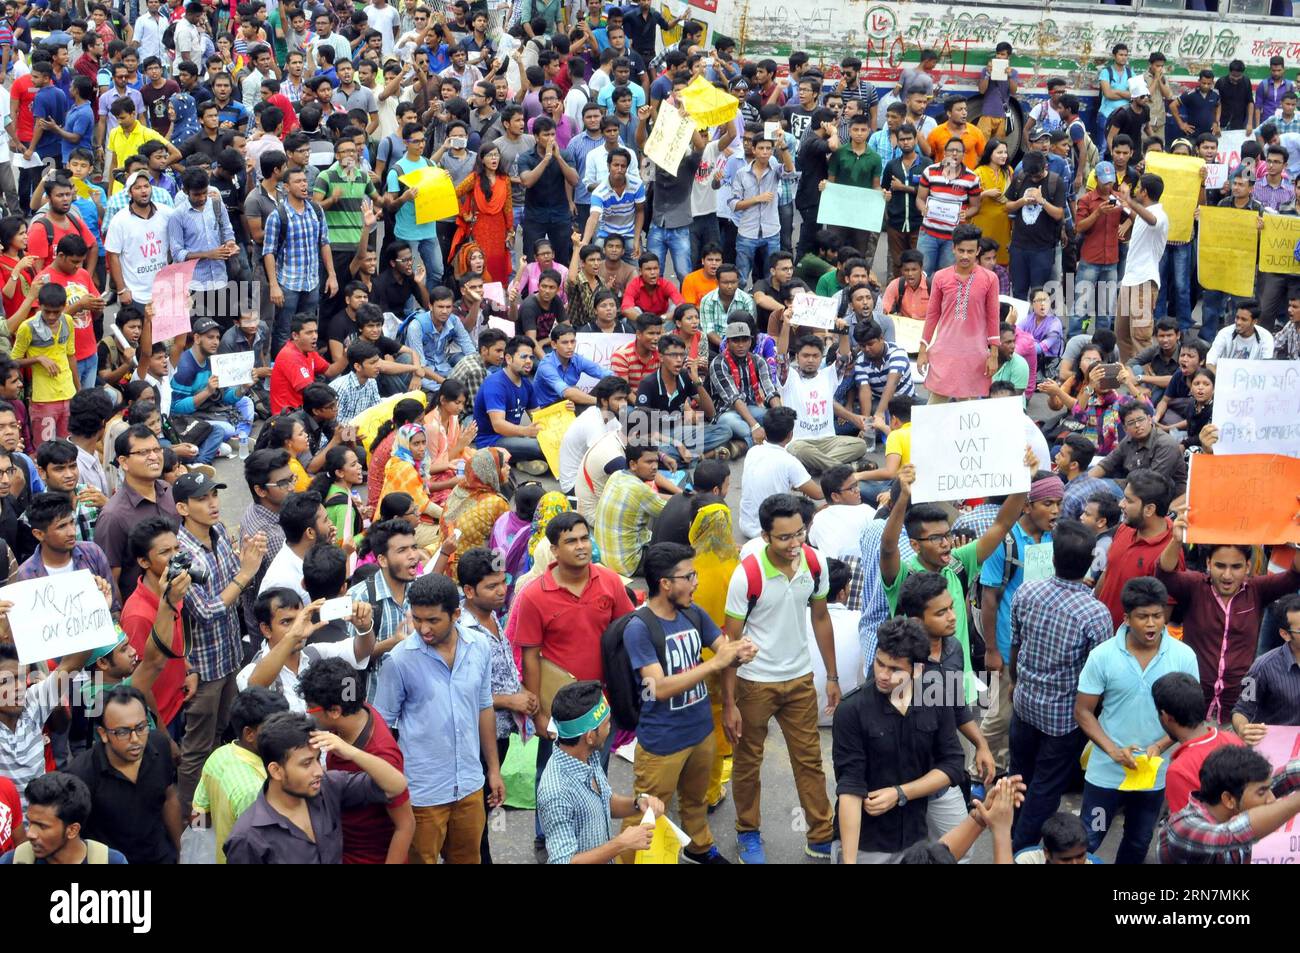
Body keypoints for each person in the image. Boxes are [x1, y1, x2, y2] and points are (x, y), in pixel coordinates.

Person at [616, 543, 755, 864]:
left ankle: (699, 847)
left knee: (695, 802)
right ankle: (628, 860)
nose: (696, 582)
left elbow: (725, 650)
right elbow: (659, 687)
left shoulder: (694, 613)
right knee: (647, 812)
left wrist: (741, 652)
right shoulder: (640, 628)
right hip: (662, 741)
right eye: (689, 576)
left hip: (701, 731)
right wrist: (715, 663)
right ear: (665, 583)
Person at [722, 493, 838, 863]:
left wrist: (831, 676)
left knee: (809, 761)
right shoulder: (747, 576)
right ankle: (748, 833)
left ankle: (820, 835)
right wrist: (729, 704)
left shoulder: (815, 563)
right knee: (747, 762)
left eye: (798, 534)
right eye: (784, 537)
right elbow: (730, 642)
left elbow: (821, 618)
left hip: (800, 679)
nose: (793, 544)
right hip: (754, 684)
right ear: (766, 535)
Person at [510, 511, 634, 851]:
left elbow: (626, 631)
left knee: (596, 771)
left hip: (599, 706)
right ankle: (546, 836)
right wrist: (537, 713)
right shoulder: (535, 595)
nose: (581, 547)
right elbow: (531, 656)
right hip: (560, 708)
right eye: (571, 541)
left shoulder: (608, 581)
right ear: (554, 549)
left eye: (584, 538)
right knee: (549, 771)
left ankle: (593, 832)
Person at [373, 572, 502, 864]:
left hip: (470, 784)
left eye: (433, 620)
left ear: (456, 614)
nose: (423, 629)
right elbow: (382, 728)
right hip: (422, 793)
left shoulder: (479, 647)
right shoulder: (400, 660)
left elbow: (484, 707)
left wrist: (492, 769)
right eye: (417, 619)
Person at [1006, 519, 1114, 851]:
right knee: (1044, 789)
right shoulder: (1095, 614)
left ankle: (1010, 837)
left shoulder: (1027, 591)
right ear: (1089, 563)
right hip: (1064, 720)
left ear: (1054, 558)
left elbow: (1016, 645)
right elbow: (1100, 676)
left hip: (1024, 706)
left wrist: (1016, 683)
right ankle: (1019, 849)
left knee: (1019, 778)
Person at [1075, 577, 1199, 864]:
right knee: (1088, 841)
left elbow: (1190, 717)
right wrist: (1112, 751)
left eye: (1157, 616)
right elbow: (1083, 711)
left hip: (1152, 776)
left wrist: (1159, 745)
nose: (1152, 624)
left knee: (1138, 841)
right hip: (1105, 774)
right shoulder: (1102, 656)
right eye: (1143, 617)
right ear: (1127, 618)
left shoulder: (1183, 657)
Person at [173, 471, 269, 816]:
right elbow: (207, 610)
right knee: (197, 748)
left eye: (214, 495)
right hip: (203, 666)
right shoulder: (179, 554)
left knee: (221, 738)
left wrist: (247, 567)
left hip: (229, 657)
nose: (213, 503)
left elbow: (235, 583)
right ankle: (193, 825)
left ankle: (216, 805)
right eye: (202, 498)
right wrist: (245, 573)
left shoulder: (218, 533)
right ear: (182, 507)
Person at [832, 616, 964, 863]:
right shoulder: (852, 710)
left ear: (918, 670)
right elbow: (850, 787)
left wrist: (900, 793)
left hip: (915, 837)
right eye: (880, 663)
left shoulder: (936, 698)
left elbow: (953, 764)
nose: (883, 675)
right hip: (866, 844)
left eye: (895, 670)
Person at [1158, 517, 1300, 724]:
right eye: (1220, 565)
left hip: (1239, 708)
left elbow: (1294, 576)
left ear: (1248, 566)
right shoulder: (1195, 587)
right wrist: (1176, 541)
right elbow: (1164, 575)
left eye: (1235, 567)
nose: (1227, 575)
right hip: (1193, 704)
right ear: (1208, 563)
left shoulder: (1257, 590)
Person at [223, 710, 409, 864]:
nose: (319, 771)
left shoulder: (328, 788)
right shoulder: (248, 838)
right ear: (276, 771)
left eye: (317, 759)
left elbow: (396, 785)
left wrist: (351, 752)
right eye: (306, 764)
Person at [535, 679, 666, 864]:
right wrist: (621, 844)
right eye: (606, 723)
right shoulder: (556, 793)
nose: (611, 726)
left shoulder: (588, 755)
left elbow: (604, 801)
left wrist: (637, 804)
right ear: (589, 737)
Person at [66, 684, 182, 864]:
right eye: (122, 732)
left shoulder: (159, 745)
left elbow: (169, 798)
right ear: (103, 734)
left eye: (141, 727)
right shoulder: (81, 773)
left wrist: (181, 851)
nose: (135, 739)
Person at [192, 687, 290, 864]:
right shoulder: (255, 789)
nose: (284, 734)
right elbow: (264, 849)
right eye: (275, 728)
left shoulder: (219, 755)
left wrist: (203, 847)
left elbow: (198, 814)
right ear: (249, 734)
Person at [1159, 745, 1300, 864]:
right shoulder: (1184, 828)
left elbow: (1284, 778)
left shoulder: (1240, 798)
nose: (1272, 799)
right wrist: (1295, 802)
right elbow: (1231, 834)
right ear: (1228, 800)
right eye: (1262, 792)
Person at [264, 169, 338, 355]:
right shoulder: (277, 215)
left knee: (309, 331)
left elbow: (324, 243)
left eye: (305, 181)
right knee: (284, 330)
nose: (304, 185)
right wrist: (274, 285)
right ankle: (282, 371)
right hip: (288, 282)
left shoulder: (316, 210)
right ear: (286, 187)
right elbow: (269, 252)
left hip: (311, 282)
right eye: (298, 182)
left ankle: (306, 367)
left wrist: (332, 275)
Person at [1094, 469, 1180, 627]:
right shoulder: (1125, 528)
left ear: (1149, 509)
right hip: (1100, 633)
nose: (1121, 504)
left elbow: (1164, 614)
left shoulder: (1170, 552)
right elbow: (1109, 572)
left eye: (1128, 500)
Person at [779, 333, 868, 475]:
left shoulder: (828, 375)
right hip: (800, 442)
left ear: (821, 358)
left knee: (860, 445)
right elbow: (781, 357)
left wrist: (843, 332)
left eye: (815, 356)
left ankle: (816, 466)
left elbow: (844, 358)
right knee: (797, 450)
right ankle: (846, 470)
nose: (810, 360)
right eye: (805, 355)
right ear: (797, 357)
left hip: (828, 441)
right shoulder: (790, 378)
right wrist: (786, 326)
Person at [0, 772, 127, 865]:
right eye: (30, 822)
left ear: (72, 830)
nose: (30, 834)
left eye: (42, 826)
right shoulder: (13, 860)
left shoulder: (110, 861)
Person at [734, 406, 821, 540]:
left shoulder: (753, 451)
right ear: (790, 435)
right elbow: (818, 494)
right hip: (771, 531)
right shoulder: (789, 461)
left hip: (746, 526)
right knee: (819, 509)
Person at [471, 335, 548, 473]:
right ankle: (514, 459)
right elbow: (498, 425)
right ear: (508, 359)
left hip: (513, 436)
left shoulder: (526, 383)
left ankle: (517, 460)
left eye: (531, 357)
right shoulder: (495, 384)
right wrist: (525, 431)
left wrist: (561, 412)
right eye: (524, 357)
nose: (529, 361)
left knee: (554, 441)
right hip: (491, 442)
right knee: (542, 446)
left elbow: (538, 416)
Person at [1115, 173, 1168, 362]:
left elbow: (1152, 220)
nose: (1136, 191)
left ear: (1144, 192)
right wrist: (1125, 202)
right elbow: (1140, 215)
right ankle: (1128, 377)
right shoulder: (1143, 213)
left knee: (1141, 337)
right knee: (1121, 334)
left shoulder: (1160, 215)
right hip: (1129, 281)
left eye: (1138, 189)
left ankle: (1145, 382)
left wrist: (1129, 200)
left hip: (1145, 283)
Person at [592, 443, 666, 577]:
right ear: (633, 465)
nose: (655, 467)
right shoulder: (640, 489)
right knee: (675, 547)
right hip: (627, 564)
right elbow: (669, 512)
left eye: (656, 461)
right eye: (649, 462)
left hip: (605, 558)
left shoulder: (616, 475)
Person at [439, 447, 511, 577]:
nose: (509, 468)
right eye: (504, 465)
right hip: (469, 573)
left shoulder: (460, 487)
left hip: (442, 563)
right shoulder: (496, 503)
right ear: (491, 472)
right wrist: (500, 577)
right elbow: (502, 544)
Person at [270, 314, 331, 415]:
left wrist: (346, 356)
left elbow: (330, 370)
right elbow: (311, 392)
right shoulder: (289, 355)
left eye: (315, 331)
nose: (314, 336)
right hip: (287, 417)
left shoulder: (308, 350)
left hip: (302, 411)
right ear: (295, 335)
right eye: (309, 333)